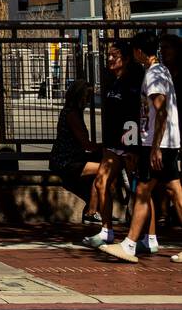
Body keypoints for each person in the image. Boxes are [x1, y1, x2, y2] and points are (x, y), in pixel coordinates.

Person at [102, 32, 182, 263]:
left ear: (138, 51)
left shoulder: (154, 74)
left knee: (143, 191)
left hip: (159, 144)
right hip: (166, 142)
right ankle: (130, 243)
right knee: (173, 190)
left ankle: (129, 244)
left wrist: (155, 146)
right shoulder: (161, 71)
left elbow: (162, 110)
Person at [81, 40, 142, 249]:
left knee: (140, 191)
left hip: (128, 145)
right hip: (112, 144)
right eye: (108, 55)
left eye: (113, 55)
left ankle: (147, 237)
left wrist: (132, 148)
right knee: (101, 182)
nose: (108, 59)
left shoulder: (134, 81)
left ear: (124, 59)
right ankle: (106, 230)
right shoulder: (112, 80)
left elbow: (135, 115)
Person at [48, 76, 100, 214]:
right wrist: (106, 147)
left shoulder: (72, 112)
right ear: (79, 96)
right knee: (105, 170)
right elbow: (86, 144)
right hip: (66, 162)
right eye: (87, 96)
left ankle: (94, 209)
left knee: (102, 169)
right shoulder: (72, 114)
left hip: (70, 159)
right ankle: (92, 212)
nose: (89, 100)